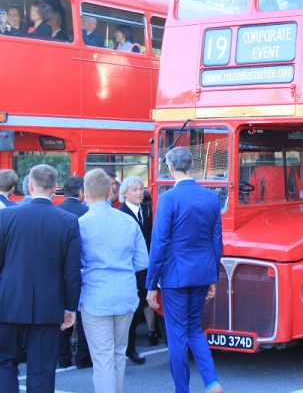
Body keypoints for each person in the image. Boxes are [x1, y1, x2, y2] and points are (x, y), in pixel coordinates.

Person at [146, 147, 223, 393]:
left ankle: (182, 389)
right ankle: (211, 380)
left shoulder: (168, 198)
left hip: (175, 275)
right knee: (194, 328)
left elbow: (159, 243)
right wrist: (212, 277)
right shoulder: (211, 197)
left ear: (170, 168)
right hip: (202, 272)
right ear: (193, 166)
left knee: (177, 335)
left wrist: (151, 284)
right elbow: (216, 242)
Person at [0, 164, 81, 393]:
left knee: (4, 362)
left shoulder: (5, 217)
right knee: (42, 368)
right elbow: (72, 271)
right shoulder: (68, 221)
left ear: (31, 185)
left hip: (9, 300)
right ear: (56, 188)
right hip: (49, 303)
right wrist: (70, 307)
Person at [79, 168, 148, 393]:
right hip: (125, 293)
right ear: (111, 191)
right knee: (119, 354)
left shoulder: (81, 223)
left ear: (85, 192)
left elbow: (75, 264)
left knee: (102, 359)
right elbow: (142, 261)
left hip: (95, 297)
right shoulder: (127, 222)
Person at [118, 176, 158, 364]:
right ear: (125, 193)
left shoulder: (148, 210)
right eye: (135, 189)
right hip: (130, 268)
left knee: (145, 302)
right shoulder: (121, 214)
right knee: (132, 309)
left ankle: (150, 333)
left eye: (141, 189)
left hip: (148, 267)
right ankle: (129, 347)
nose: (140, 192)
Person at [57, 176, 92, 370]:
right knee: (84, 315)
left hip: (60, 271)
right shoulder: (87, 212)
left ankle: (63, 357)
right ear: (81, 192)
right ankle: (83, 356)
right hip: (84, 269)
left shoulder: (56, 212)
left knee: (63, 312)